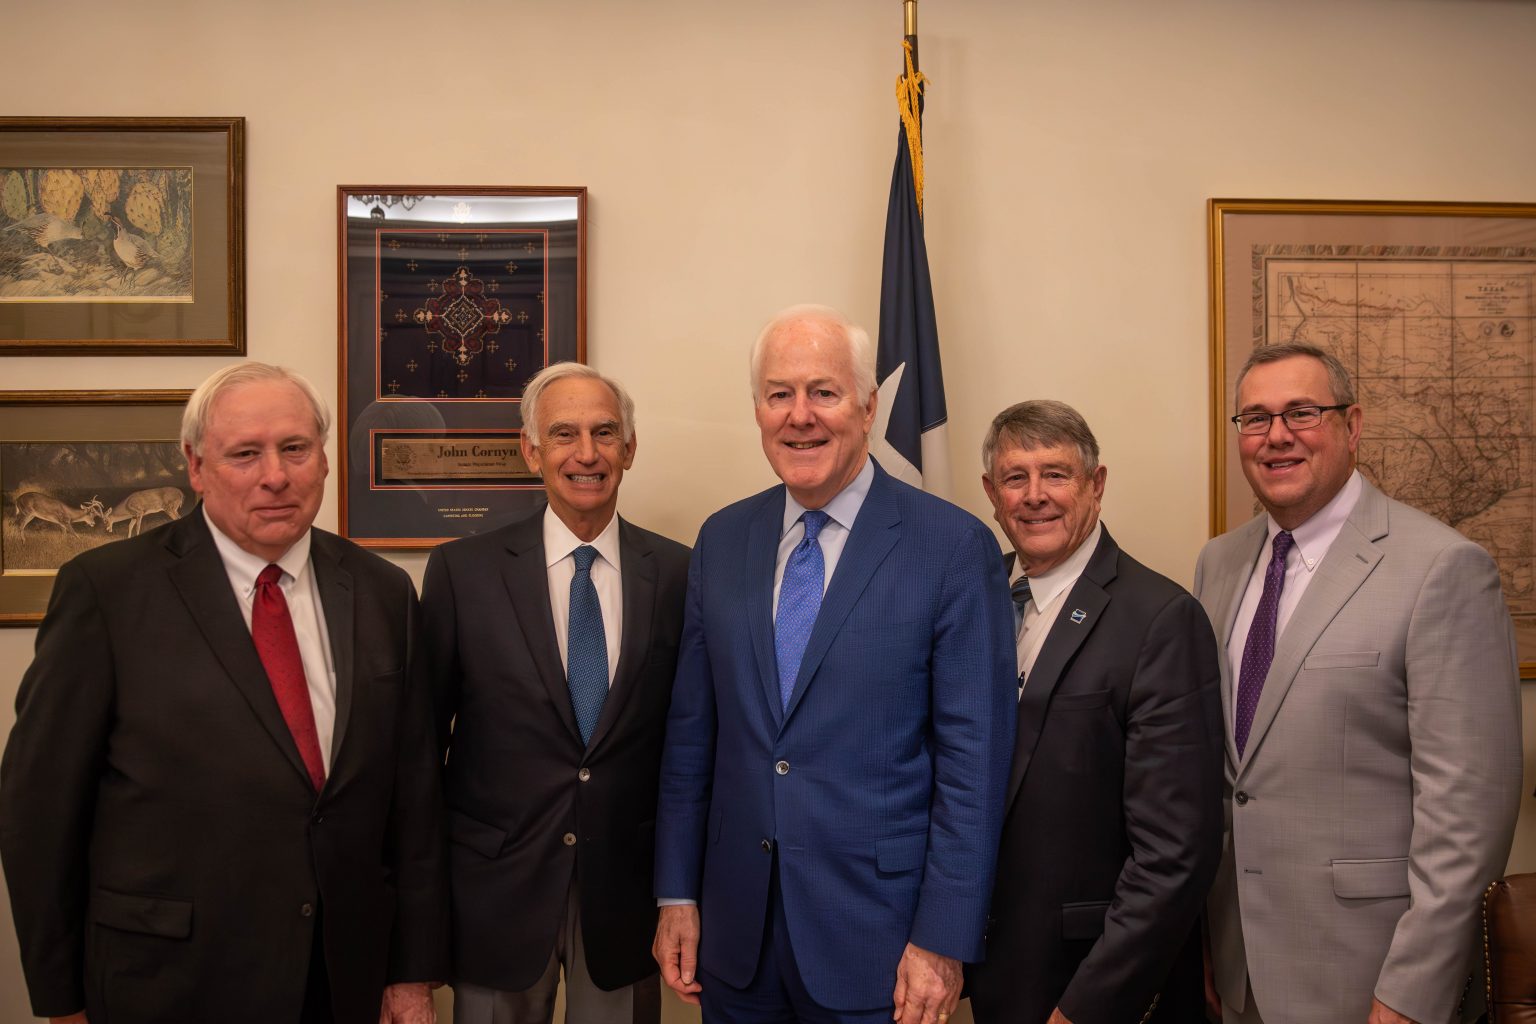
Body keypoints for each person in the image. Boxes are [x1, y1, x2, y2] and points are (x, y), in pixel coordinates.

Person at [0, 362, 447, 1024]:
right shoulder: (107, 591)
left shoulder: (383, 593)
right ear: (196, 466)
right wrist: (63, 999)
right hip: (168, 980)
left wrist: (411, 973)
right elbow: (39, 810)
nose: (275, 475)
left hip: (342, 974)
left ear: (324, 459)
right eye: (245, 454)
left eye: (295, 448)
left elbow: (415, 800)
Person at [652, 305, 1016, 1024]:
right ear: (757, 409)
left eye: (823, 392)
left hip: (880, 946)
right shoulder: (722, 541)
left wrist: (942, 940)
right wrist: (676, 894)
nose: (800, 416)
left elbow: (974, 766)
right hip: (735, 937)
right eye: (779, 394)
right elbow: (691, 739)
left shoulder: (951, 547)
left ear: (869, 406)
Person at [1194, 342, 1524, 1024]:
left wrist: (1411, 991)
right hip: (1241, 968)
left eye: (1301, 412)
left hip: (1371, 978)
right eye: (1255, 418)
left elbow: (1468, 812)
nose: (1276, 435)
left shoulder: (1442, 569)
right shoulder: (1219, 565)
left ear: (1353, 425)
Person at [420, 362, 688, 1024]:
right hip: (494, 893)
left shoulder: (683, 573)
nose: (586, 454)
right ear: (531, 449)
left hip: (626, 893)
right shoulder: (462, 573)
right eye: (563, 434)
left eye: (604, 433)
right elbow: (419, 754)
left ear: (630, 448)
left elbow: (692, 744)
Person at [965, 400, 1223, 1024]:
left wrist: (1088, 1007)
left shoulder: (1159, 618)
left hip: (1088, 981)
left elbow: (1175, 855)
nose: (1034, 496)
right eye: (1014, 477)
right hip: (983, 966)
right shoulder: (970, 597)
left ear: (1096, 484)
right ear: (991, 494)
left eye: (1055, 474)